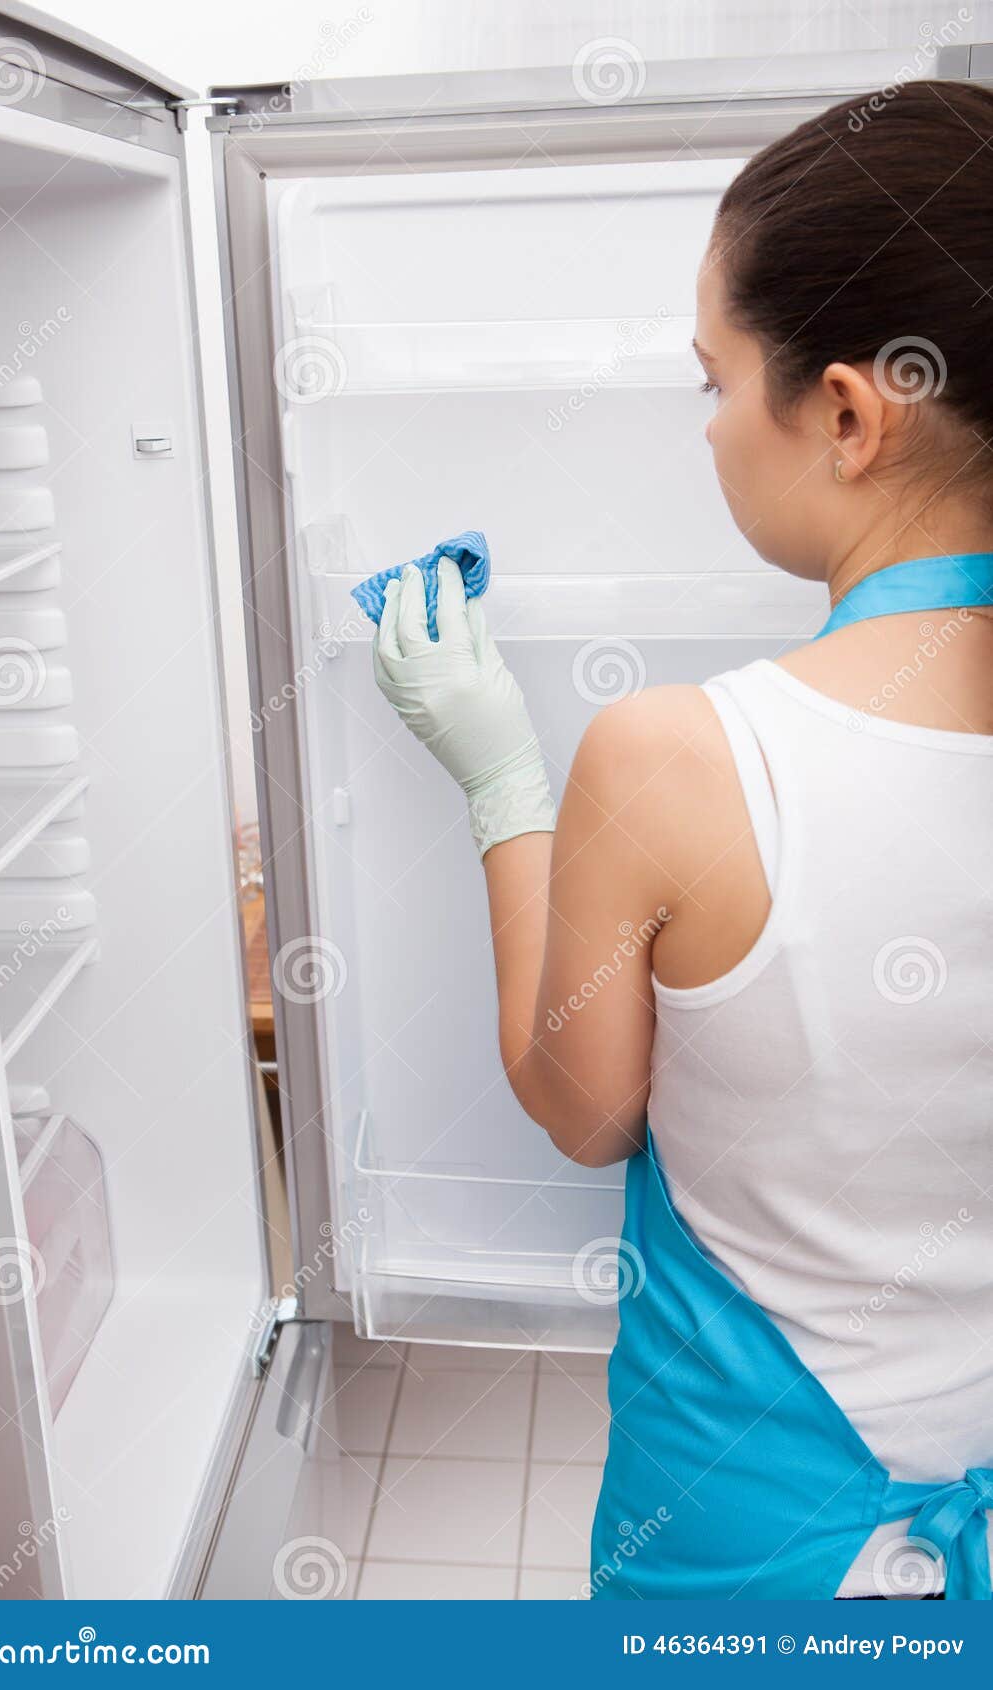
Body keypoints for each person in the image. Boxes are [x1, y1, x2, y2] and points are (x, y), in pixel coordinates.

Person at [369, 79, 993, 1600]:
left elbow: (586, 1110)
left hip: (752, 1548)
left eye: (712, 380)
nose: (707, 428)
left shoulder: (677, 761)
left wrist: (504, 782)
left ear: (846, 414)